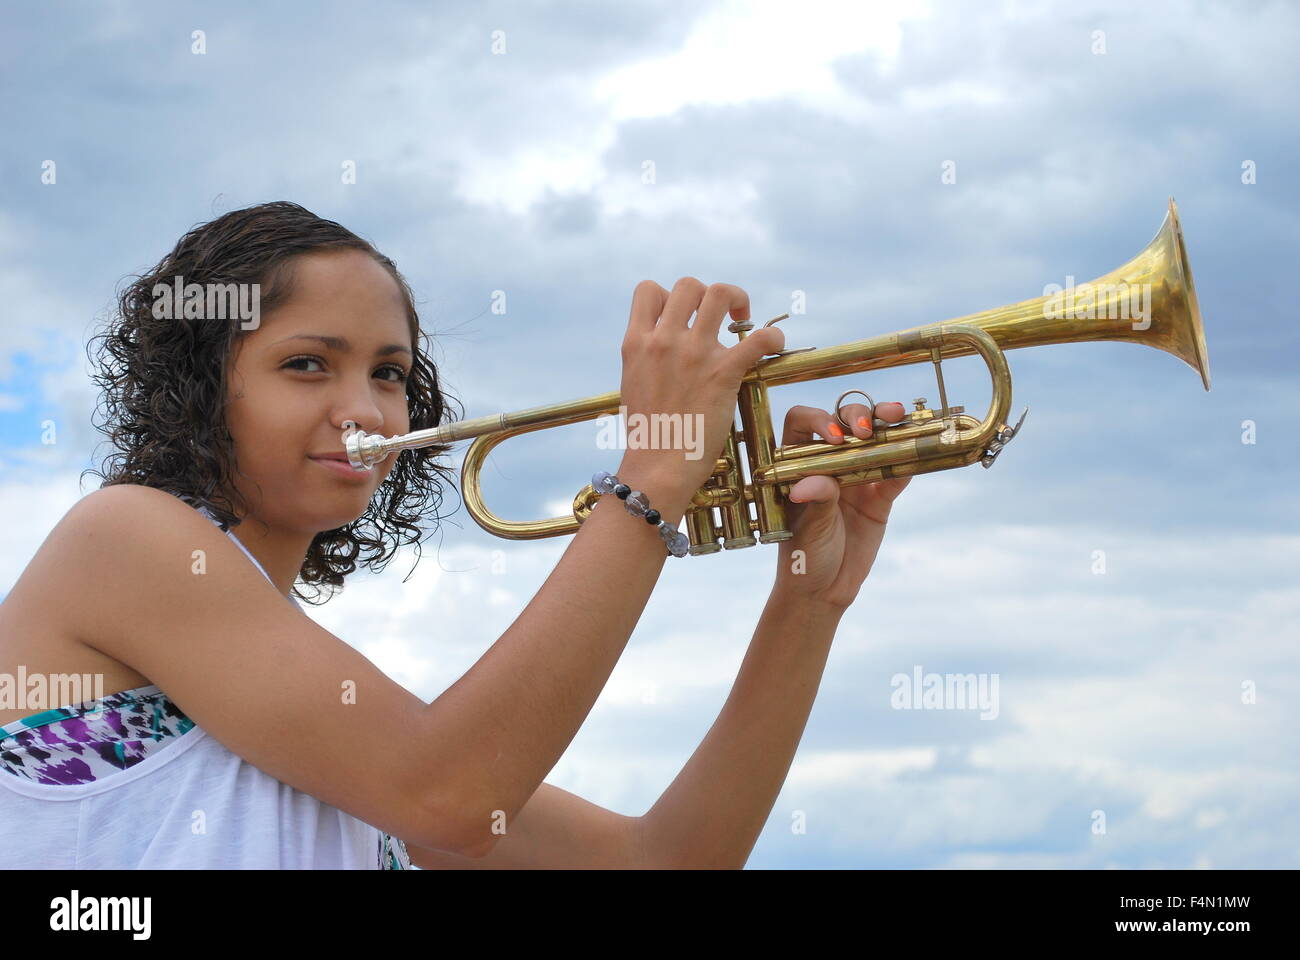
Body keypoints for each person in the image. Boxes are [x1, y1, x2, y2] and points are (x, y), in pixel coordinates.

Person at [0, 201, 910, 869]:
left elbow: (667, 864)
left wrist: (811, 598)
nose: (362, 411)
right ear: (199, 386)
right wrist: (656, 473)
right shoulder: (120, 535)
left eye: (389, 373)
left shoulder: (344, 738)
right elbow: (450, 796)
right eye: (306, 364)